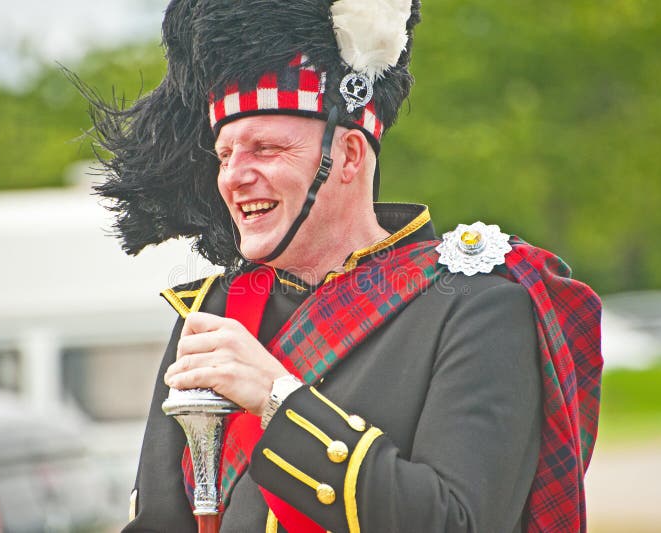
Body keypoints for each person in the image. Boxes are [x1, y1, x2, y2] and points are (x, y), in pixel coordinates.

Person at [81, 1, 603, 531]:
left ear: (349, 155)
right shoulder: (213, 311)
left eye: (265, 148)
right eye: (225, 154)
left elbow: (458, 522)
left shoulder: (479, 306)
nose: (234, 176)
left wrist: (277, 399)